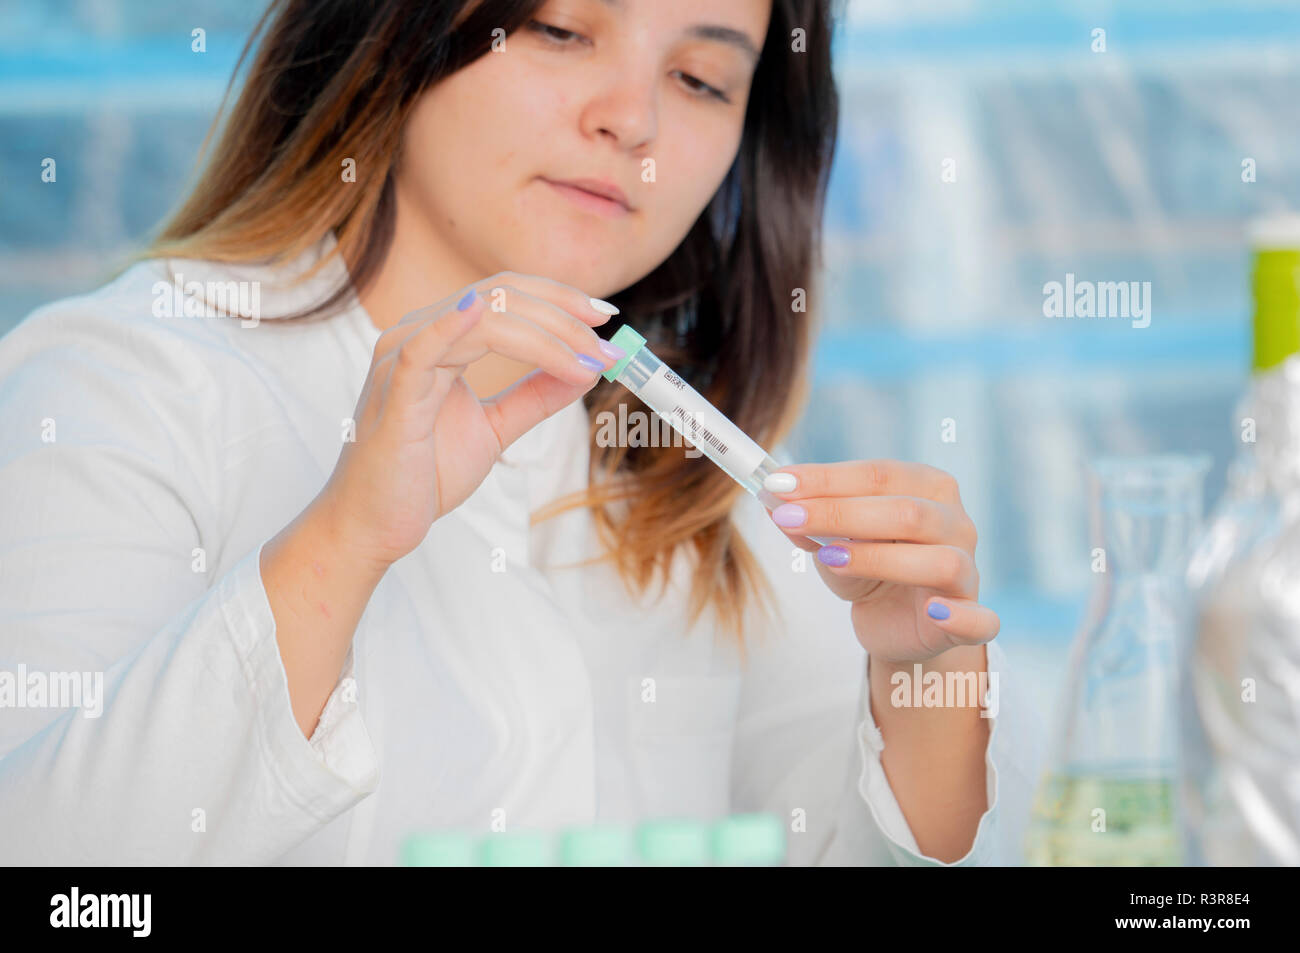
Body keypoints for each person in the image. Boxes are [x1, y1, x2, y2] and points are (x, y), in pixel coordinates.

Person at [0, 0, 1032, 865]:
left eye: (702, 82)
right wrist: (348, 536)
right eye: (558, 28)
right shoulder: (121, 384)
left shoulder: (694, 476)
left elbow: (848, 844)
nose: (633, 122)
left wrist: (922, 679)